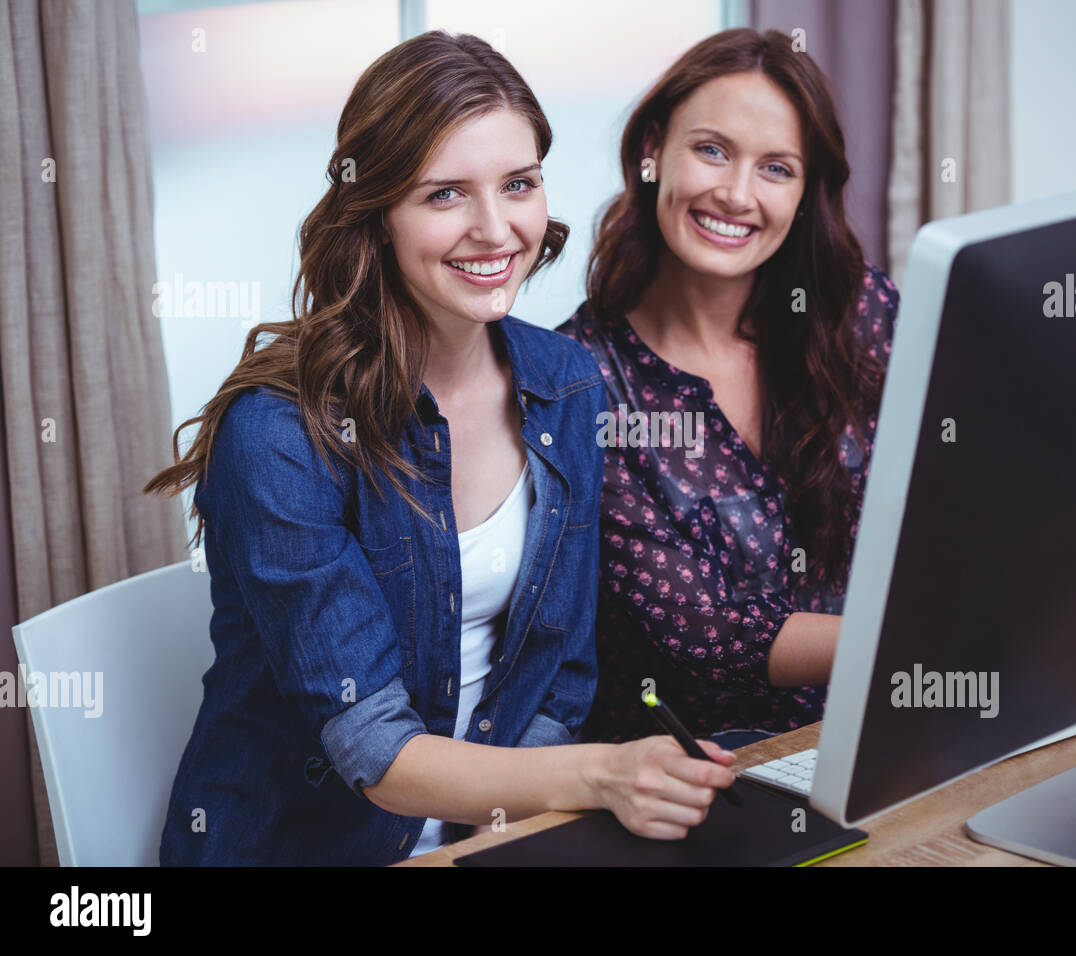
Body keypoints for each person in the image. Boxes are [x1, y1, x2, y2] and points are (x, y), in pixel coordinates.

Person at [145, 30, 734, 866]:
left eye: (519, 185)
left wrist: (509, 840)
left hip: (487, 841)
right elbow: (374, 754)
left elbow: (559, 678)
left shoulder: (566, 383)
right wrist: (602, 776)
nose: (495, 230)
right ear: (378, 213)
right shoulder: (280, 432)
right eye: (445, 194)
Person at [559, 28, 900, 747]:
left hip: (887, 730)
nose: (736, 194)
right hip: (698, 778)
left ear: (808, 191)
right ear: (654, 150)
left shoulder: (862, 312)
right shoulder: (578, 379)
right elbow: (707, 637)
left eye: (777, 168)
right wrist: (931, 636)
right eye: (711, 150)